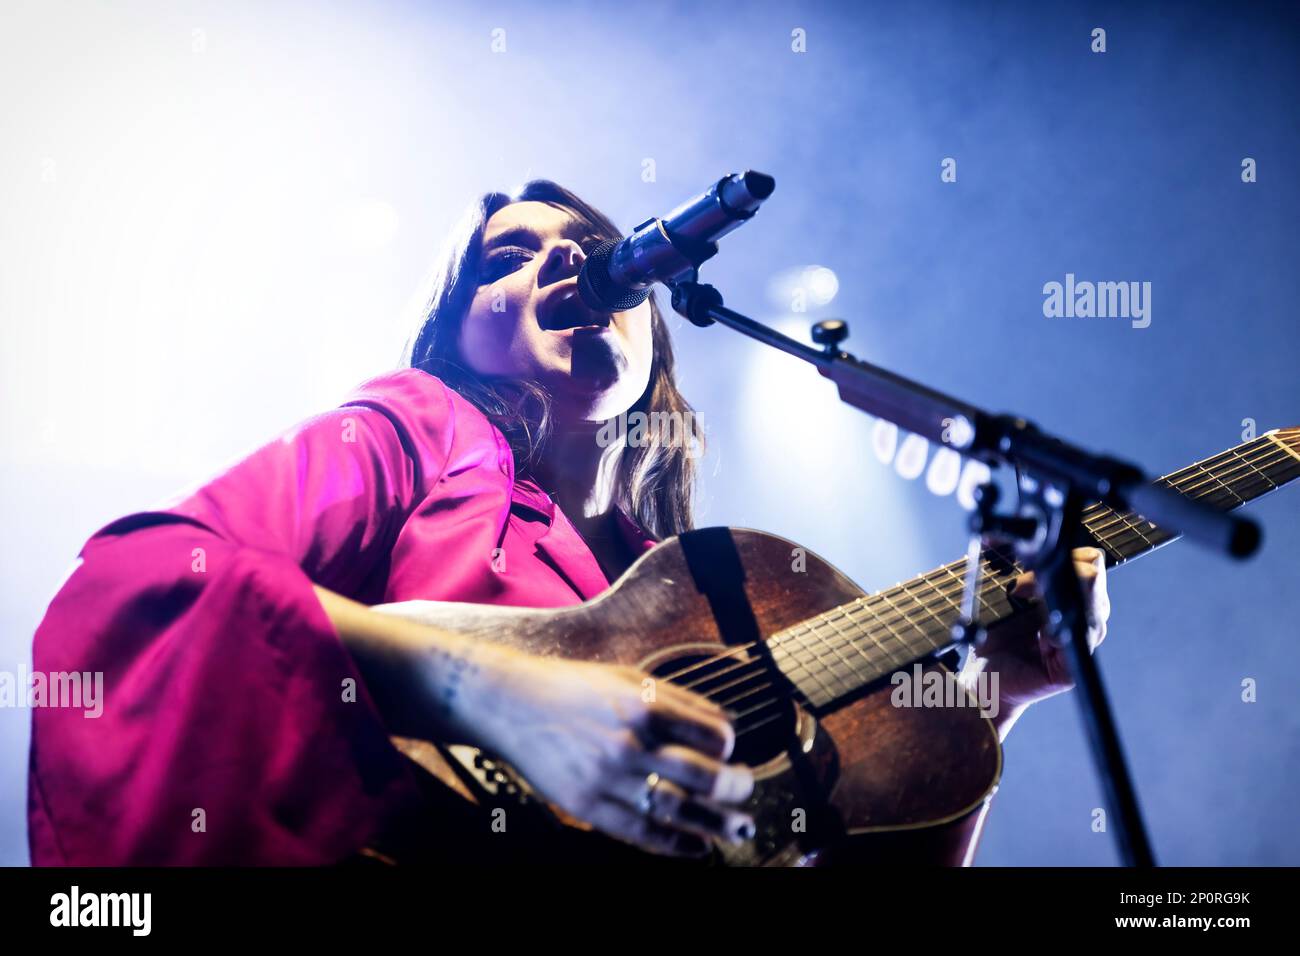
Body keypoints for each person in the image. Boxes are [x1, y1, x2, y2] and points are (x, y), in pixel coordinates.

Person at [27, 180, 1109, 866]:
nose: (561, 260)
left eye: (588, 245)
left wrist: (990, 696)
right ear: (452, 336)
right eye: (505, 257)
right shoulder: (418, 426)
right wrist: (497, 691)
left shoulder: (700, 591)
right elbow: (144, 579)